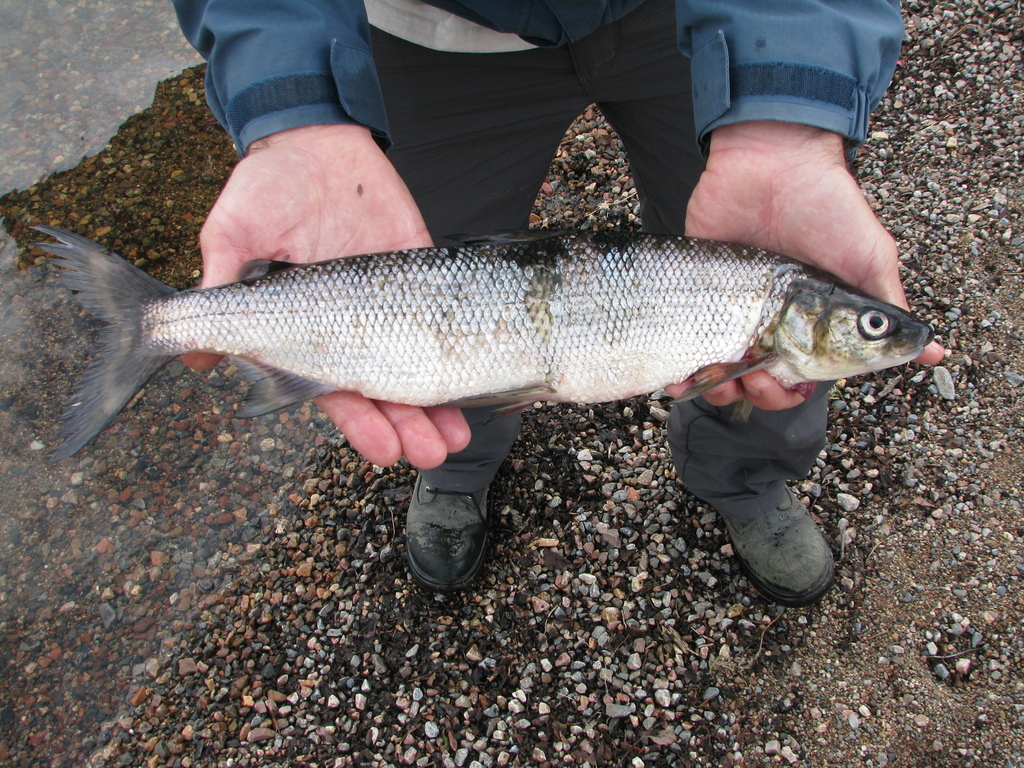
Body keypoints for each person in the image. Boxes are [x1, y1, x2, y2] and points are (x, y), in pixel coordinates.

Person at [173, 0, 944, 606]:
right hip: (433, 30)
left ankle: (747, 481)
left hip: (700, 20)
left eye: (871, 326)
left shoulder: (780, 292)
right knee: (417, 266)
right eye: (871, 326)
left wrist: (789, 116)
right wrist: (297, 105)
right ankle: (457, 472)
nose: (879, 333)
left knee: (769, 324)